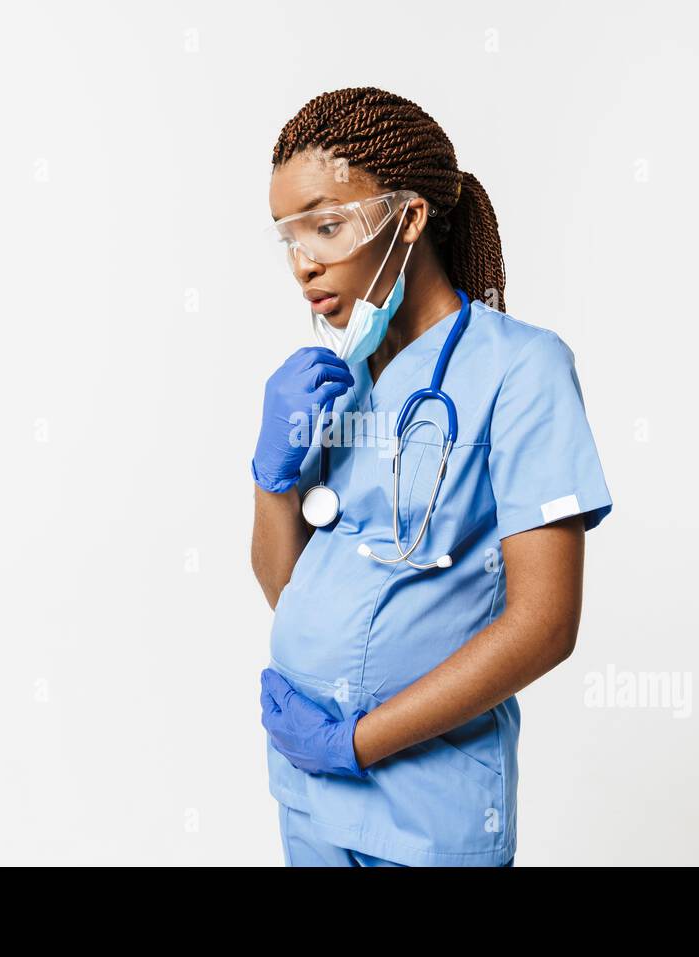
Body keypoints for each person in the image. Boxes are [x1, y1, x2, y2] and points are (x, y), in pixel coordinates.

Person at [252, 87, 613, 867]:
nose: (303, 261)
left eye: (327, 222)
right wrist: (270, 477)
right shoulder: (334, 383)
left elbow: (546, 623)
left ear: (409, 218)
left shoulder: (522, 368)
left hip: (424, 808)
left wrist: (357, 740)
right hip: (310, 795)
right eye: (287, 235)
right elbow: (295, 588)